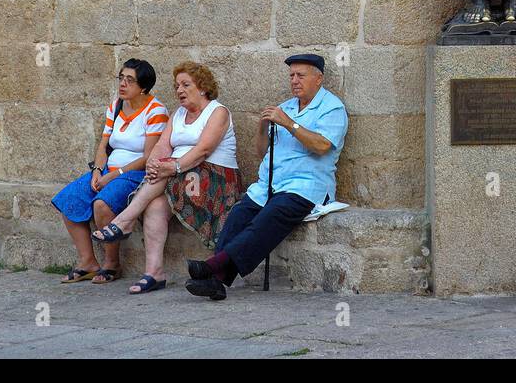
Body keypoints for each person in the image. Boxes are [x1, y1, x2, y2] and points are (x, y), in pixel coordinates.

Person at [184, 54, 347, 301]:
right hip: (271, 183)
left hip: (306, 185)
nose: (294, 81)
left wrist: (289, 124)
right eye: (291, 75)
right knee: (239, 214)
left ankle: (213, 266)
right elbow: (262, 153)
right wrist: (262, 127)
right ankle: (216, 281)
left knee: (270, 216)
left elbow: (322, 146)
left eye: (300, 75)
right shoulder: (287, 106)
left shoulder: (332, 108)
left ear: (318, 78)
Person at [92, 61, 240, 295]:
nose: (179, 90)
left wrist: (172, 166)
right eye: (176, 86)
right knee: (155, 204)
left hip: (214, 176)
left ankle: (124, 220)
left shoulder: (218, 111)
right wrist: (154, 163)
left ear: (202, 87)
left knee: (165, 174)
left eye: (185, 84)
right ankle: (154, 273)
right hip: (178, 175)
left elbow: (203, 150)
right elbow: (162, 145)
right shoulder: (179, 113)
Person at [52, 59, 168, 284]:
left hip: (134, 174)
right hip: (108, 170)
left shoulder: (156, 111)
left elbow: (148, 157)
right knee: (70, 199)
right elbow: (103, 145)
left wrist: (115, 175)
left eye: (130, 80)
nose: (123, 84)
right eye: (121, 78)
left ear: (143, 87)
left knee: (102, 204)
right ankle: (88, 262)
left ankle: (112, 264)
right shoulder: (115, 106)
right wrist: (97, 171)